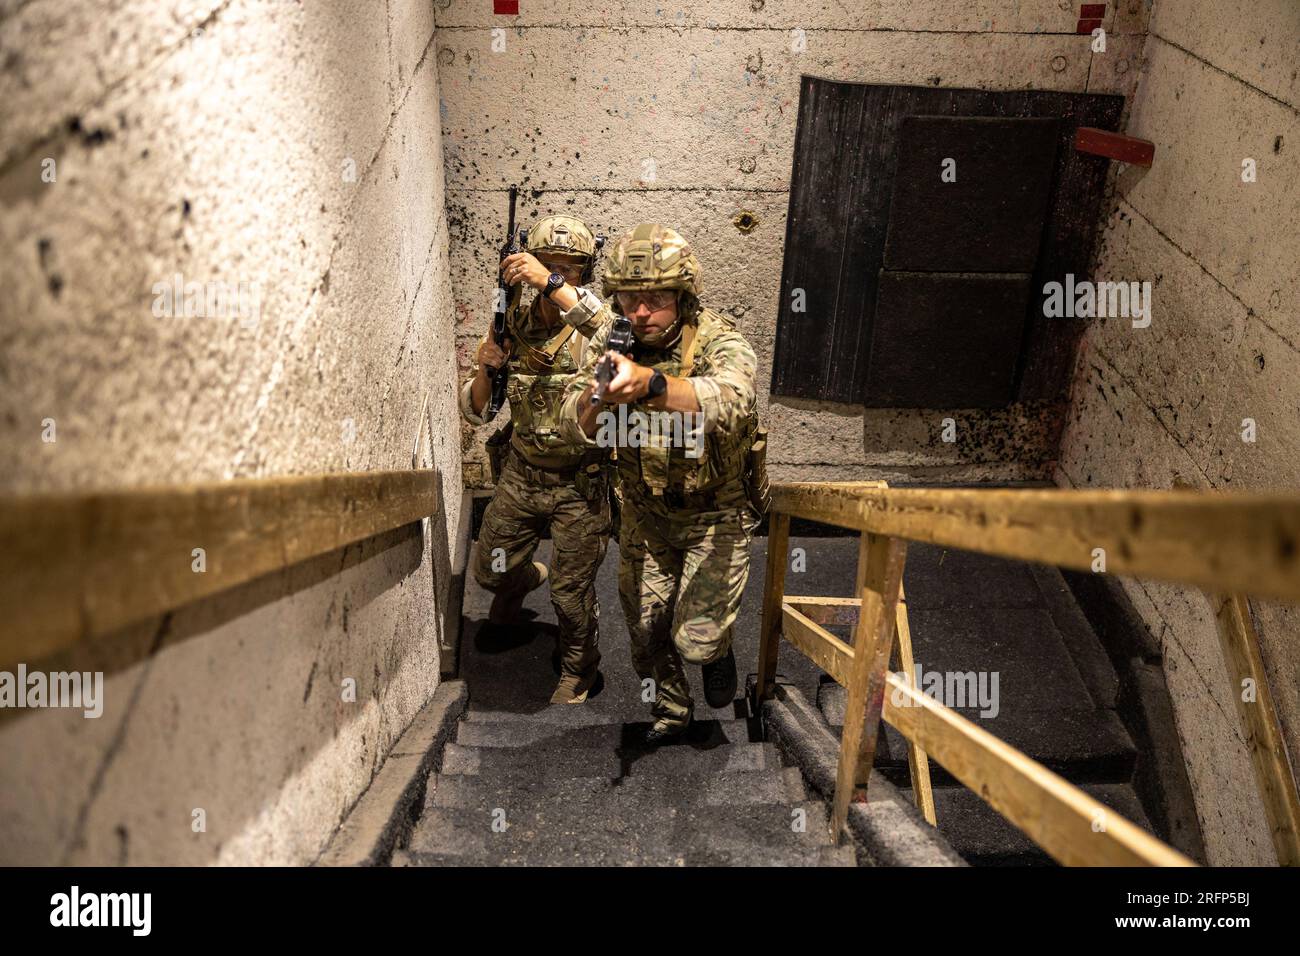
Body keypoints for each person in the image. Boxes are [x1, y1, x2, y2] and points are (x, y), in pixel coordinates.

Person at [558, 223, 766, 744]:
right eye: (629, 299)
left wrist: (652, 385)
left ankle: (714, 650)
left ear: (684, 296)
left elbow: (733, 399)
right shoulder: (616, 341)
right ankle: (673, 711)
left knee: (694, 641)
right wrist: (598, 397)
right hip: (645, 515)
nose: (640, 312)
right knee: (647, 635)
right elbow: (570, 423)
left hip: (713, 513)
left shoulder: (719, 340)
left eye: (655, 299)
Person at [461, 215, 610, 705]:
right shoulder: (512, 324)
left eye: (571, 271)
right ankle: (525, 578)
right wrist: (487, 368)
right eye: (548, 267)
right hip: (522, 475)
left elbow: (612, 327)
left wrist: (550, 282)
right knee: (491, 572)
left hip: (580, 484)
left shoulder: (595, 329)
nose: (557, 278)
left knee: (572, 598)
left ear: (584, 277)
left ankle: (578, 666)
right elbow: (480, 411)